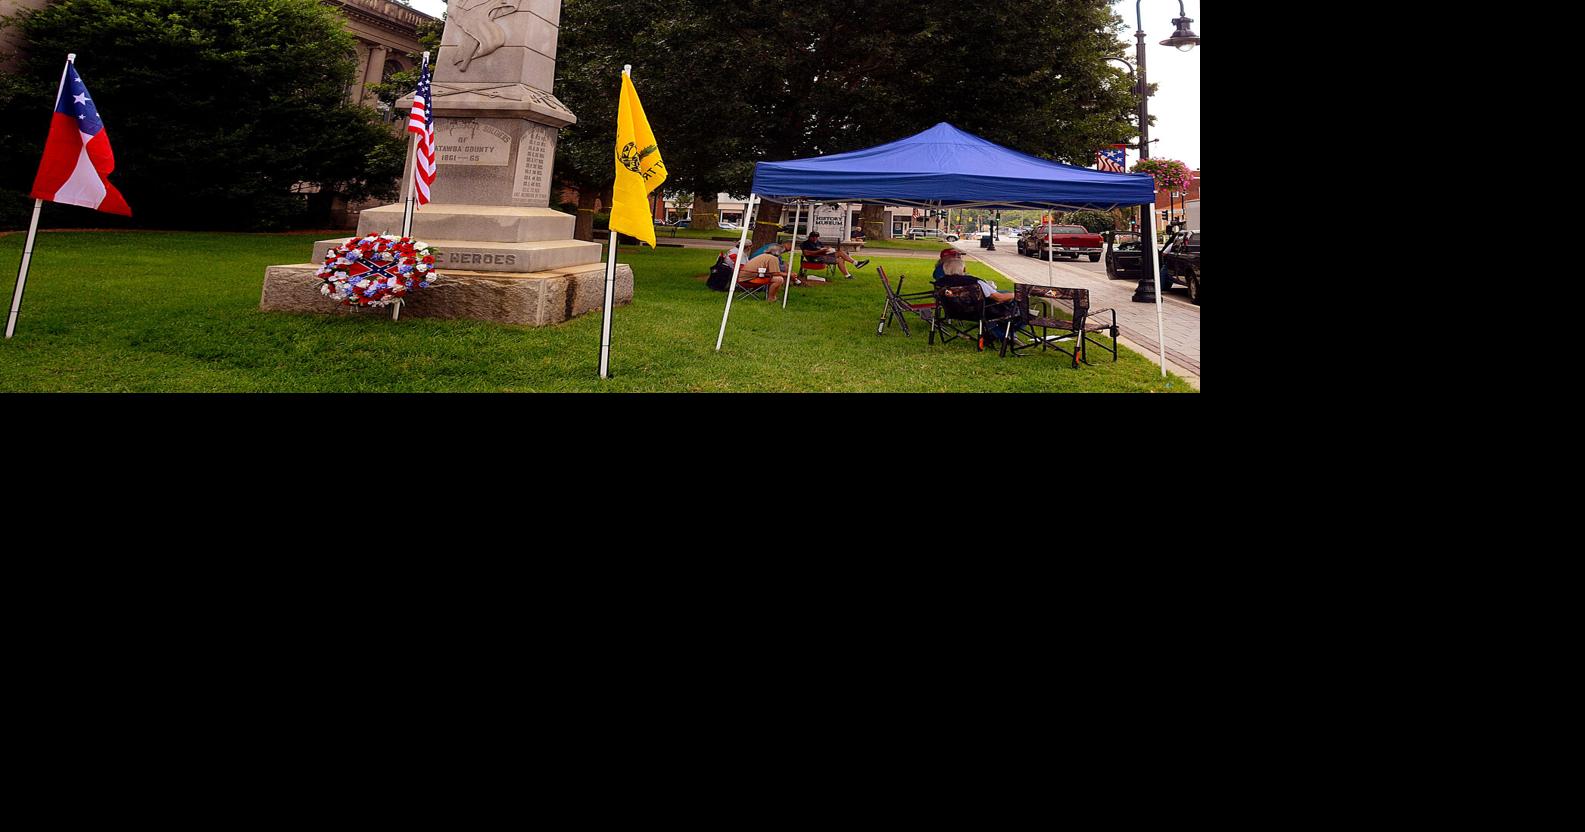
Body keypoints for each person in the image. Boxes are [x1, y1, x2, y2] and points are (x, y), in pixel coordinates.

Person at [798, 231, 869, 279]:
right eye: (813, 237)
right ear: (809, 237)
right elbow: (806, 253)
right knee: (840, 260)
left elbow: (822, 249)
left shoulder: (818, 242)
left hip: (822, 256)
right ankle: (849, 273)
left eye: (816, 237)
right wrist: (820, 251)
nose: (815, 238)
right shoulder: (806, 243)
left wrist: (827, 249)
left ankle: (854, 265)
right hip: (815, 259)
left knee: (840, 252)